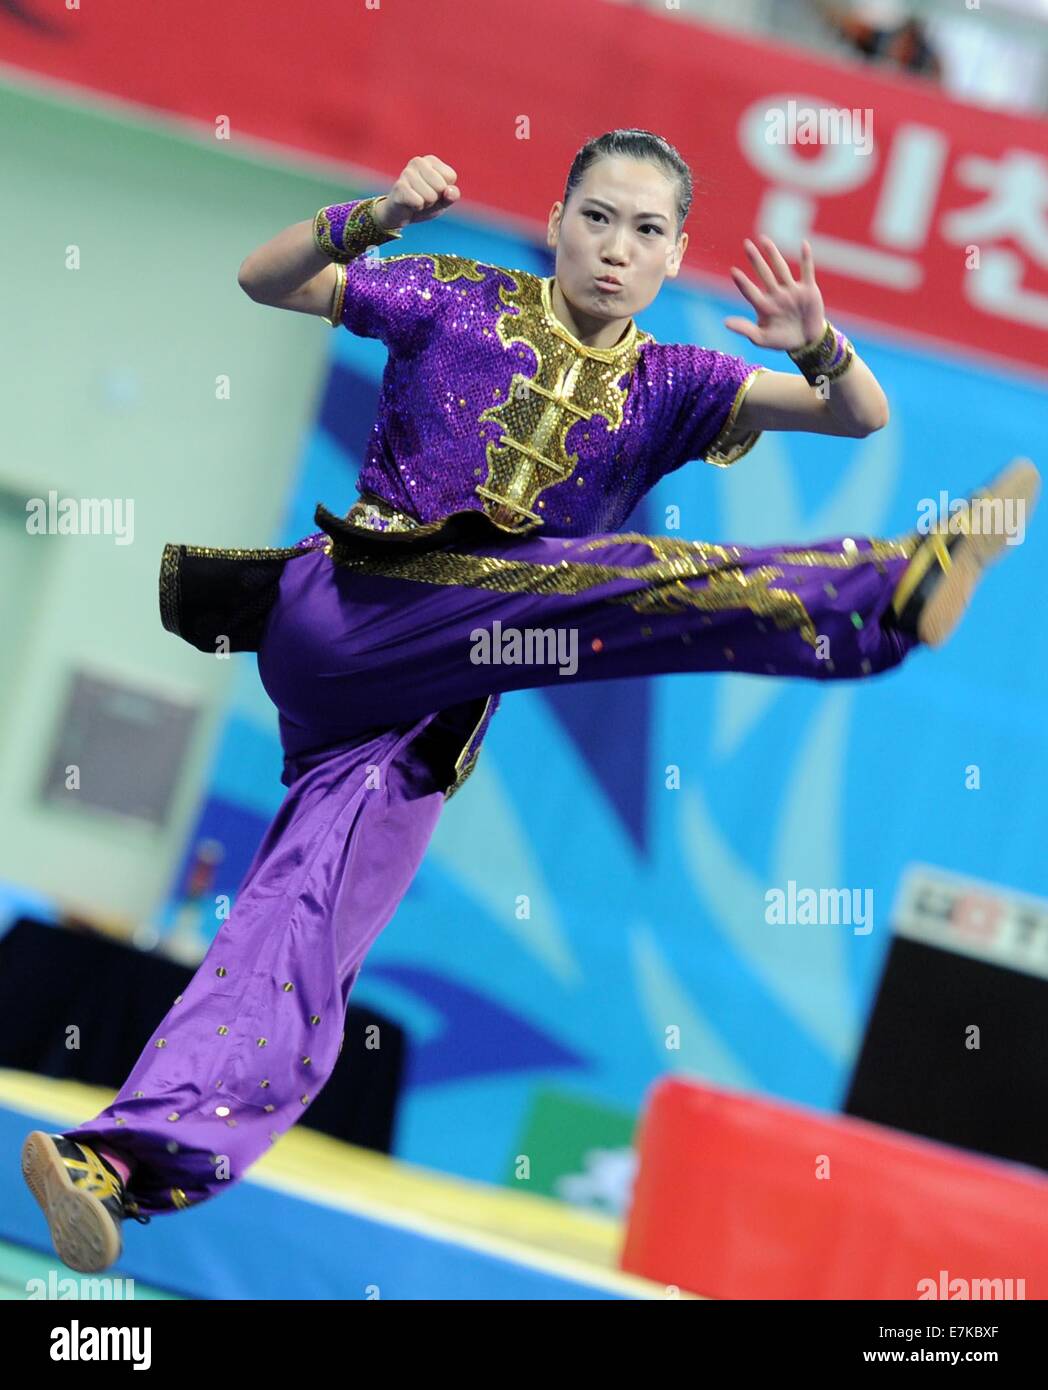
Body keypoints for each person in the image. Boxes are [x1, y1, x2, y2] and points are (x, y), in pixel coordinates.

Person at [22, 129, 1038, 1274]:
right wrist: (372, 218)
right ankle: (892, 585)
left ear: (675, 257)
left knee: (300, 940)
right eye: (596, 218)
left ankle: (126, 1159)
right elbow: (266, 278)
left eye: (646, 231)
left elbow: (859, 416)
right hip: (355, 610)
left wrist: (821, 346)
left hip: (428, 711)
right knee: (626, 579)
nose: (615, 249)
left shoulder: (675, 384)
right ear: (556, 222)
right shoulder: (453, 296)